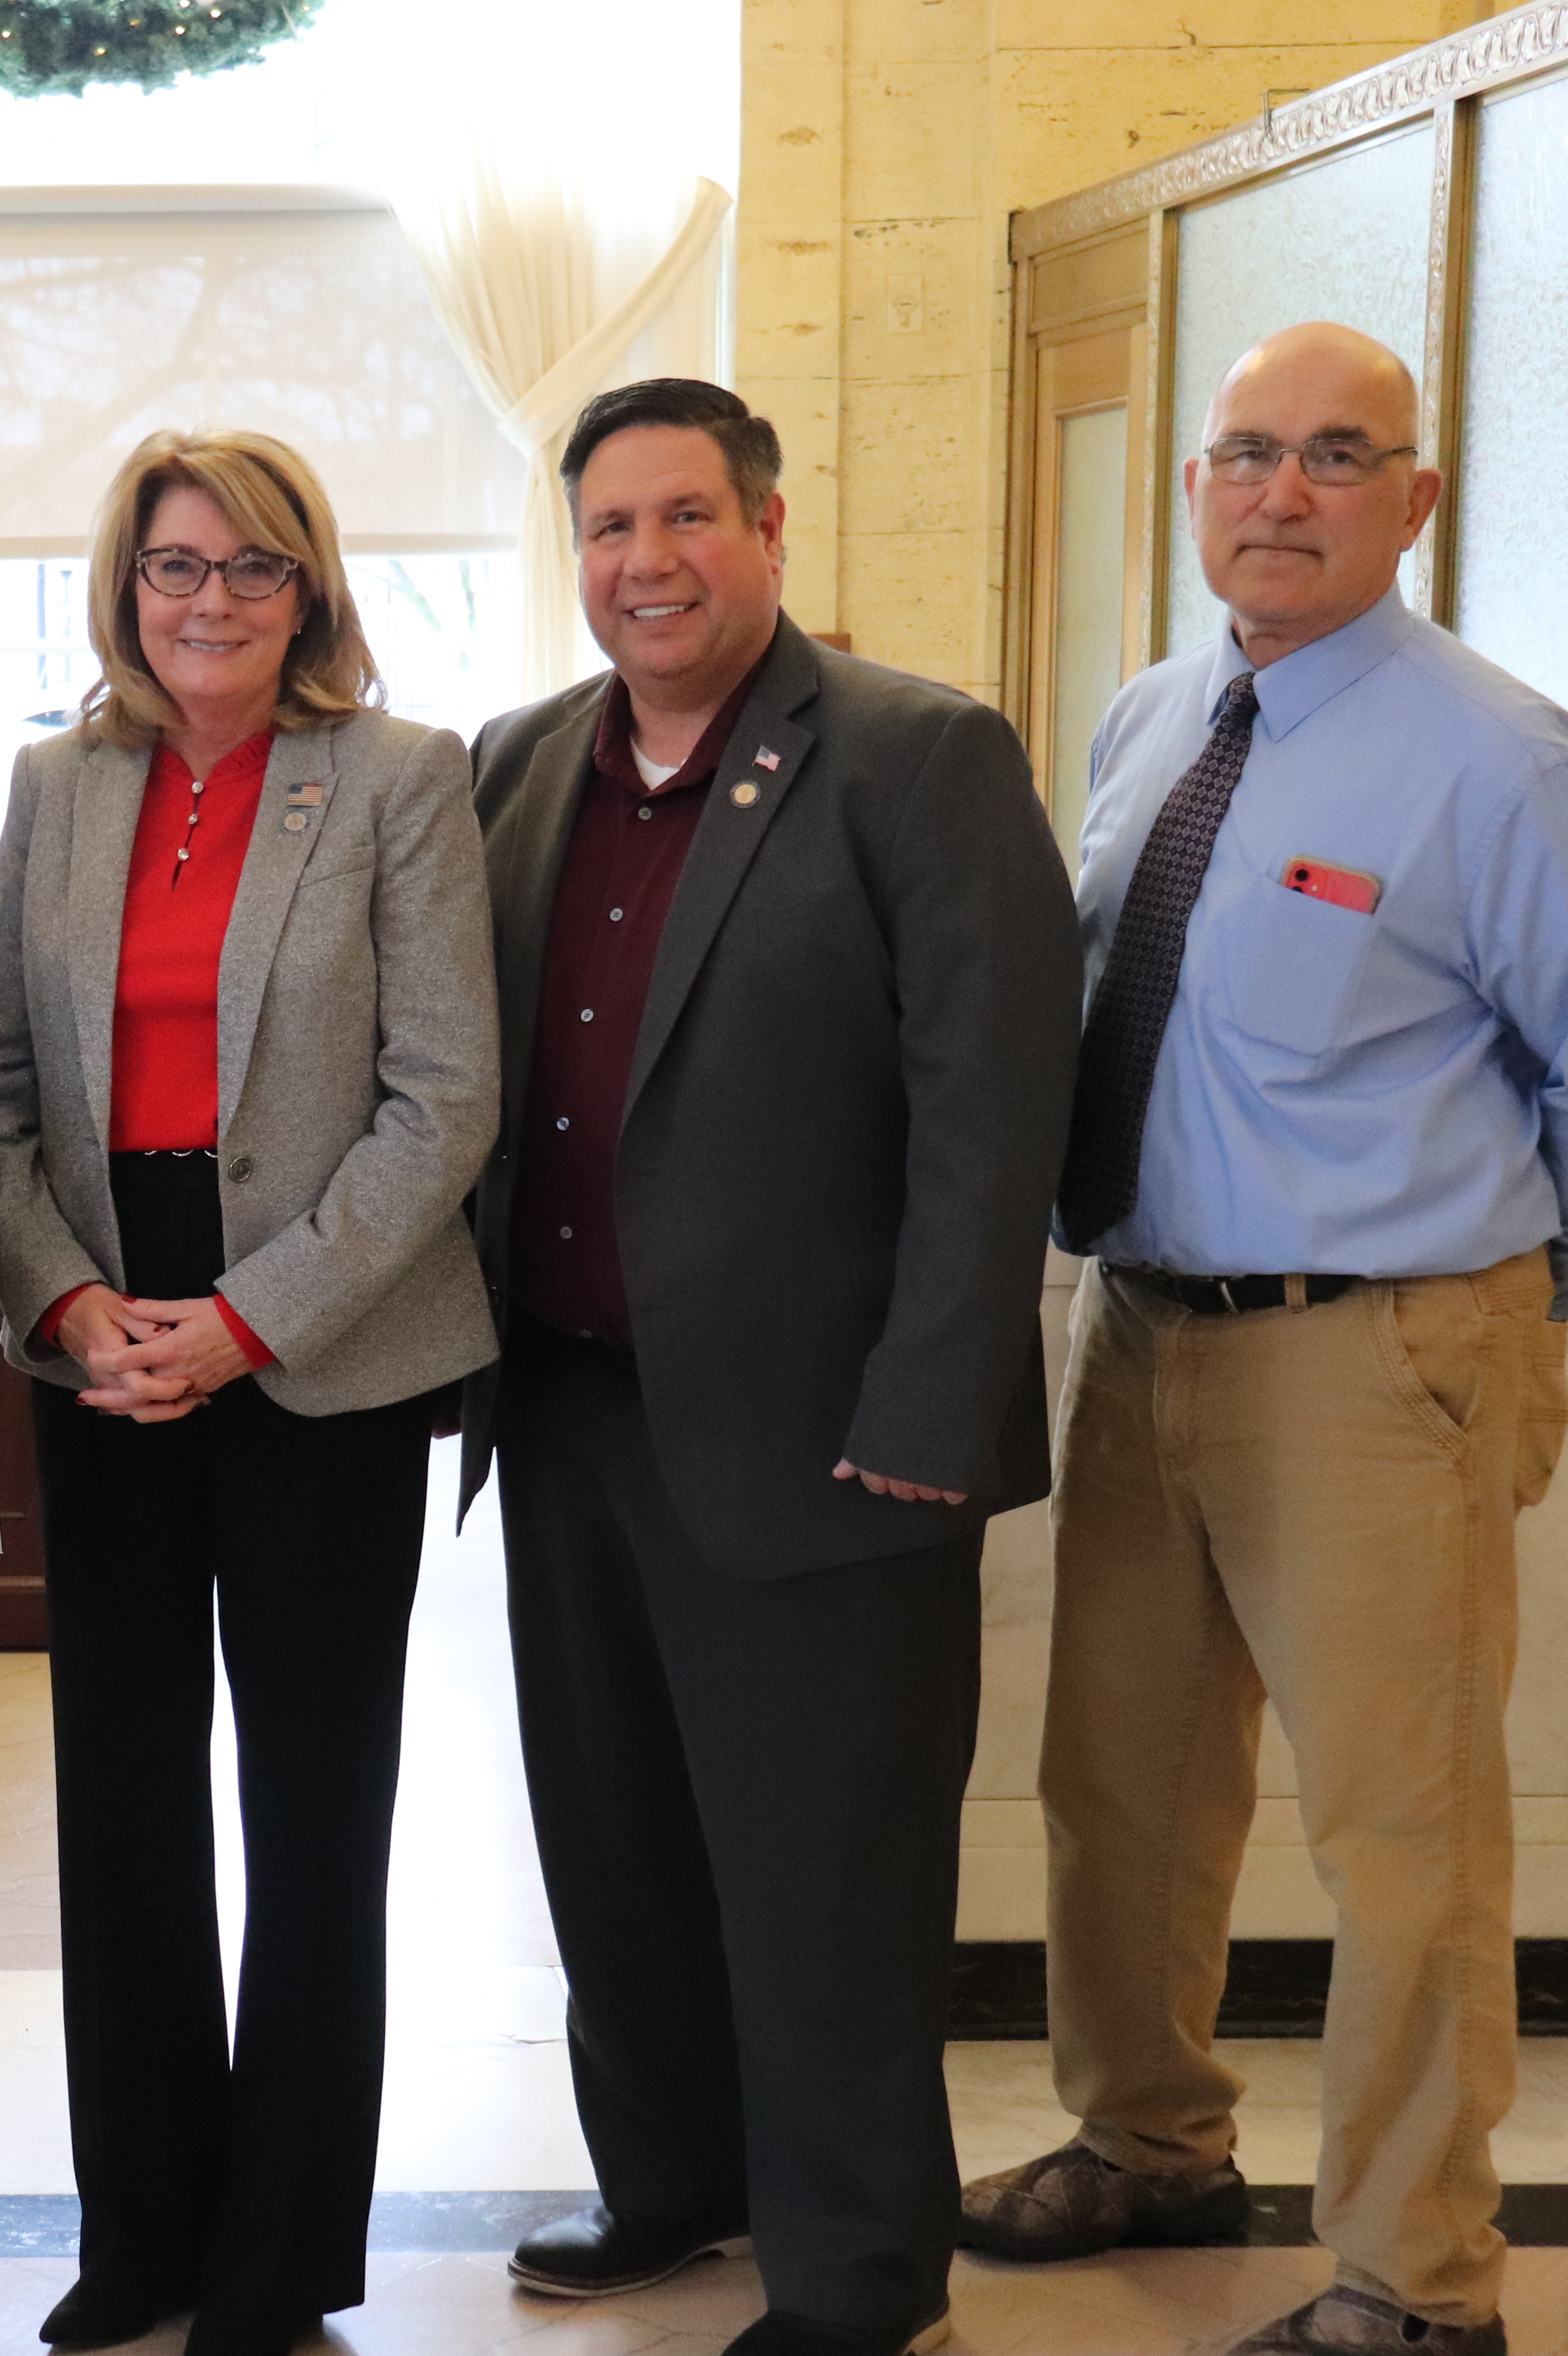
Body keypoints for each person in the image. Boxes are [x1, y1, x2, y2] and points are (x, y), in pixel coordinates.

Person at [958, 323, 1568, 2356]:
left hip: (1379, 1359)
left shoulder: (1496, 755)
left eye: (1339, 456)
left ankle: (1417, 2278)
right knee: (1118, 1788)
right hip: (1142, 1329)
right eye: (1249, 452)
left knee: (1403, 1842)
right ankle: (1150, 2139)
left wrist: (1496, 1310)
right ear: (1197, 484)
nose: (1283, 493)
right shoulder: (1154, 718)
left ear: (1415, 499)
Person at [458, 378, 1080, 2356]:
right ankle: (673, 2183)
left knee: (827, 1877)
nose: (646, 561)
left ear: (770, 529)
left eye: (686, 517)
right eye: (609, 527)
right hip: (570, 1409)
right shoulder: (519, 761)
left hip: (831, 1439)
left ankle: (859, 2272)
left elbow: (995, 1111)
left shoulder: (918, 755)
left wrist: (933, 1412)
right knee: (615, 1844)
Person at [0, 430, 500, 2356]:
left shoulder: (402, 778)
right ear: (127, 586)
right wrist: (69, 1298)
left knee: (316, 1809)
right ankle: (143, 2233)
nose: (211, 601)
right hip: (105, 1335)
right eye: (178, 565)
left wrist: (252, 1319)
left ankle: (279, 2255)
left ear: (310, 591)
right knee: (121, 1802)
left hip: (327, 1348)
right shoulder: (58, 784)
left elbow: (446, 1096)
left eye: (255, 568)